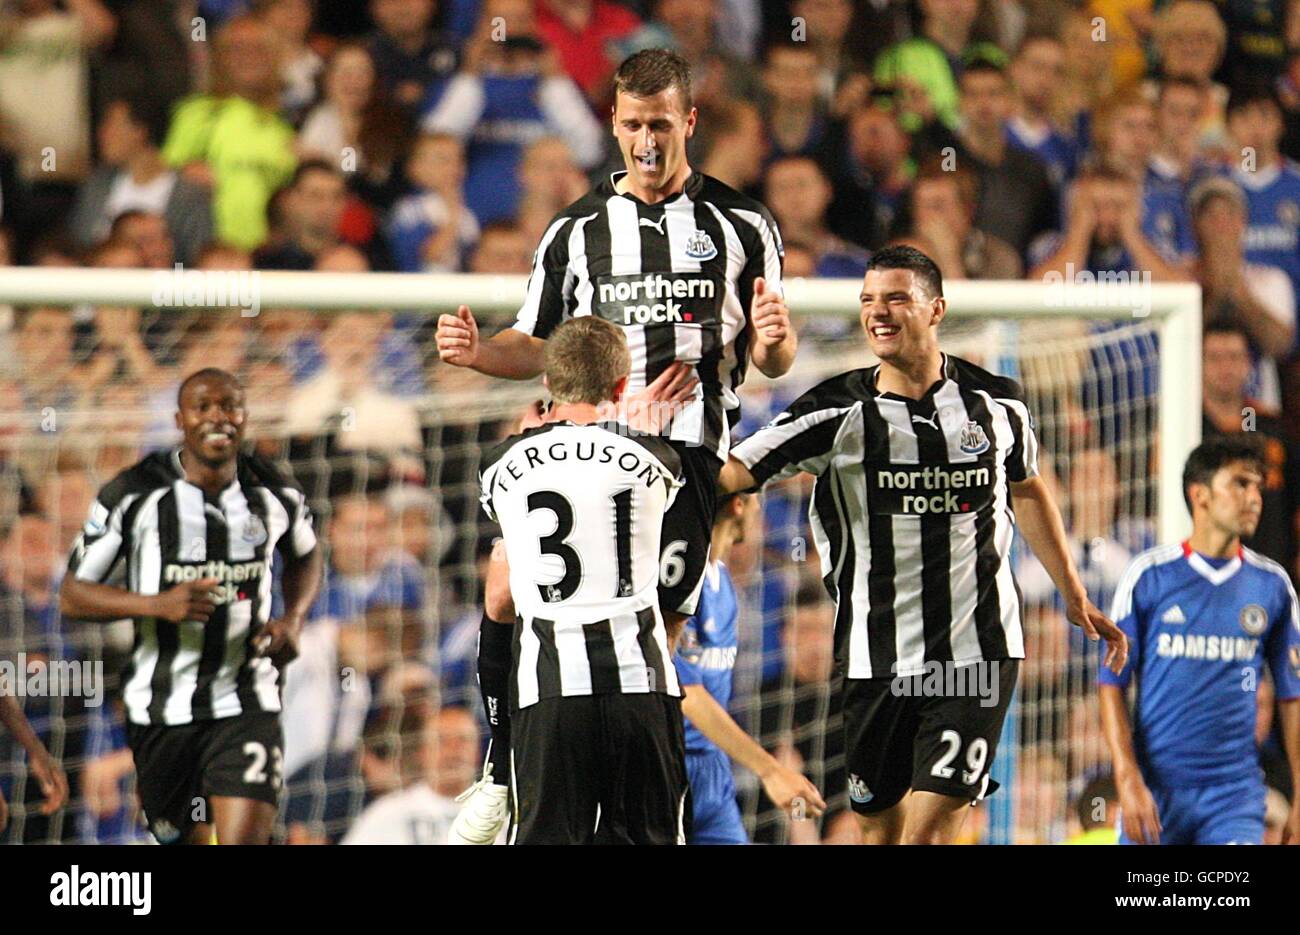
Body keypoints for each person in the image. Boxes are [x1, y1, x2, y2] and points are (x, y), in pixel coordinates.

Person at [437, 49, 796, 837]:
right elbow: (536, 342)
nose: (647, 141)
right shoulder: (576, 231)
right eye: (633, 125)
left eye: (661, 124)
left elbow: (772, 357)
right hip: (583, 456)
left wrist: (775, 343)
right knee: (524, 596)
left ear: (689, 122)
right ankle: (509, 770)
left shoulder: (742, 224)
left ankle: (650, 794)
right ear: (612, 122)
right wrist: (475, 354)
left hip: (687, 461)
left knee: (648, 635)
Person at [718, 245, 1127, 844]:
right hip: (873, 657)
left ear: (935, 309)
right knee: (878, 832)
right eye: (868, 301)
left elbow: (1028, 486)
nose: (878, 313)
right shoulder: (836, 412)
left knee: (926, 834)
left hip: (977, 653)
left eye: (896, 299)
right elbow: (729, 475)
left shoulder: (996, 404)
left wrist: (1072, 591)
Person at [58, 368, 323, 844]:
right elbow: (73, 594)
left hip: (247, 699)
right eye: (203, 407)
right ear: (181, 419)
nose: (218, 417)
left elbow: (306, 555)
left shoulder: (275, 491)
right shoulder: (134, 493)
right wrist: (156, 604)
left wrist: (293, 619)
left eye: (229, 406)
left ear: (244, 417)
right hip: (160, 708)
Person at [471, 317, 689, 845]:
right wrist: (627, 430)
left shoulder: (499, 463)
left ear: (547, 382)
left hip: (548, 691)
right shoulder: (657, 457)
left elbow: (500, 596)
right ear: (620, 386)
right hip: (640, 685)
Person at [1100, 438, 1300, 845]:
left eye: (1258, 487)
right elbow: (1111, 684)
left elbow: (1292, 696)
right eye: (1240, 484)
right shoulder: (1148, 576)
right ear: (1200, 495)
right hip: (1156, 792)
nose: (1254, 498)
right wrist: (1127, 777)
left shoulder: (1272, 586)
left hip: (1234, 796)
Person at [675, 492, 826, 844]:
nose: (763, 511)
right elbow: (686, 693)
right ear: (739, 506)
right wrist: (770, 769)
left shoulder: (722, 580)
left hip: (713, 770)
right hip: (669, 766)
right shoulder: (678, 583)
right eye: (756, 500)